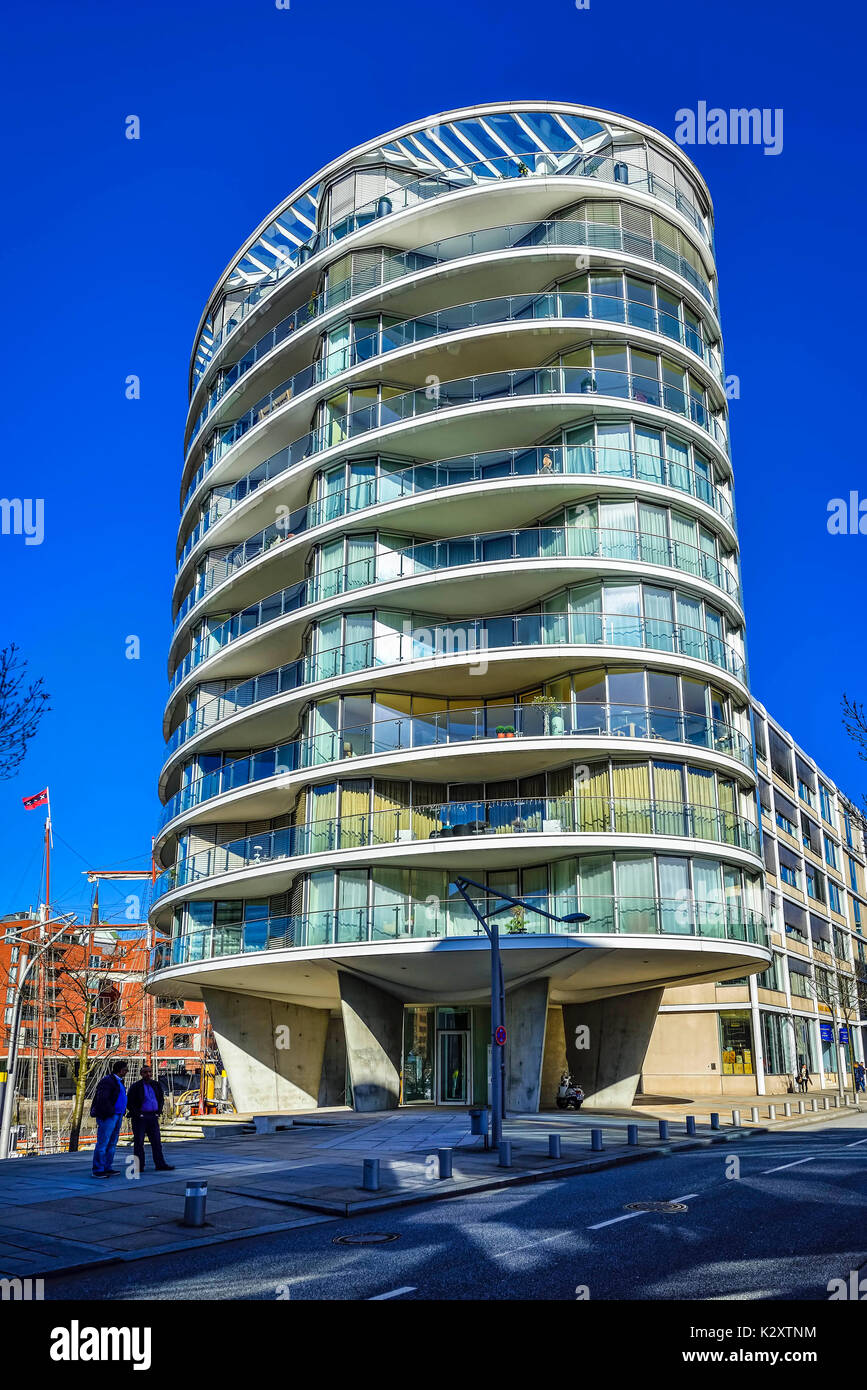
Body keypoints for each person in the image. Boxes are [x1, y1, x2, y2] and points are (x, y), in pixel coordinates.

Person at [126, 1063, 175, 1173]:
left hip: (153, 1116)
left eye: (149, 1072)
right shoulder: (135, 1086)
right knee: (139, 1143)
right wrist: (137, 1113)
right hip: (140, 1118)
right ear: (141, 1074)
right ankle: (139, 1166)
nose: (148, 1074)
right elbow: (130, 1102)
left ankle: (160, 1164)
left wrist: (158, 1111)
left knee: (157, 1142)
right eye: (145, 1072)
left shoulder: (156, 1085)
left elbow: (160, 1099)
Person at [90, 1060, 129, 1177]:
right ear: (120, 1070)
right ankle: (98, 1169)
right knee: (103, 1143)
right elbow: (103, 1098)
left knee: (112, 1143)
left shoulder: (118, 1081)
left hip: (117, 1115)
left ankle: (107, 1167)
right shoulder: (108, 1081)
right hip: (110, 1116)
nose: (127, 1071)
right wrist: (110, 1112)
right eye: (125, 1069)